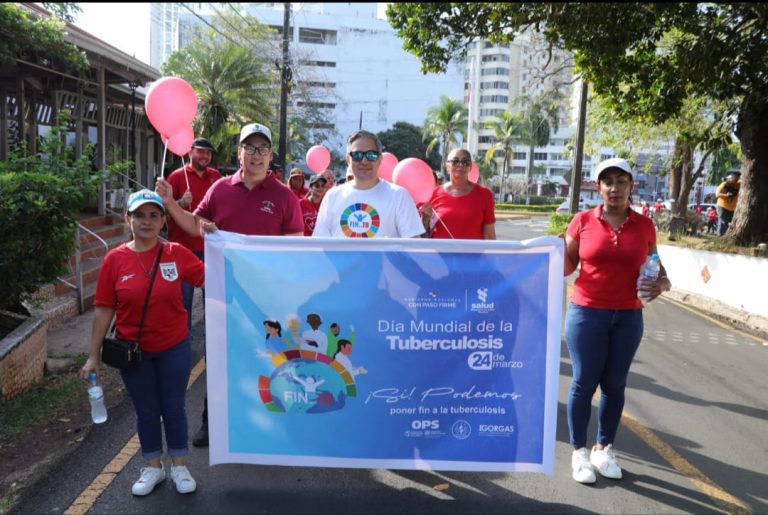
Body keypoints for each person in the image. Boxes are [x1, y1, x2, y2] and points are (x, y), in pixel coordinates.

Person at [156, 122, 303, 448]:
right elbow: (196, 225)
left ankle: (272, 420)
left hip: (267, 295)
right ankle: (214, 421)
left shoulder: (285, 196)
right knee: (222, 354)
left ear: (270, 156)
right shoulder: (220, 189)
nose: (256, 154)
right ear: (239, 153)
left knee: (268, 354)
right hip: (223, 289)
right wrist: (169, 203)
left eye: (262, 149)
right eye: (249, 148)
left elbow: (295, 244)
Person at [81, 190, 204, 496]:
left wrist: (219, 240)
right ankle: (153, 467)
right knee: (147, 410)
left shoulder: (177, 253)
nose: (146, 221)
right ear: (128, 219)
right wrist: (92, 356)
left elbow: (214, 277)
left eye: (153, 215)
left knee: (173, 407)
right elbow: (104, 309)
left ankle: (179, 465)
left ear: (163, 220)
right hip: (134, 352)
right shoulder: (114, 260)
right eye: (139, 215)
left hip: (174, 347)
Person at [563, 158, 671, 484]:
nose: (614, 187)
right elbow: (565, 265)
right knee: (583, 382)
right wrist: (547, 252)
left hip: (628, 316)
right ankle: (579, 453)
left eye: (621, 181)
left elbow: (660, 272)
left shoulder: (644, 226)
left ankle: (603, 447)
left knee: (614, 384)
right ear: (598, 187)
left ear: (631, 186)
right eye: (607, 181)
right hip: (587, 312)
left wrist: (661, 285)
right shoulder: (581, 221)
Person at [313, 130, 424, 238]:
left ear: (380, 159)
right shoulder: (332, 197)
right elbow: (319, 247)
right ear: (348, 159)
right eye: (357, 155)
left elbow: (412, 248)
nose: (364, 161)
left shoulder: (399, 196)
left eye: (371, 155)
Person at [165, 137, 222, 332]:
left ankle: (215, 341)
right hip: (182, 249)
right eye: (200, 151)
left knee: (214, 299)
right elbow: (161, 213)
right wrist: (180, 203)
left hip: (209, 248)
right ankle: (183, 343)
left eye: (207, 152)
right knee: (184, 301)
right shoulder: (176, 177)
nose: (204, 156)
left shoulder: (216, 177)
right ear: (190, 153)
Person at [418, 148, 496, 240]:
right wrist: (425, 220)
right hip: (441, 253)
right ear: (447, 166)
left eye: (465, 162)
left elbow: (489, 235)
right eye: (455, 161)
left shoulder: (484, 194)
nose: (460, 165)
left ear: (470, 166)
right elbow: (424, 237)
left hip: (473, 254)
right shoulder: (433, 194)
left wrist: (492, 254)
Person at [715, 171, 740, 236]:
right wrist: (727, 195)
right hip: (722, 206)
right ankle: (720, 237)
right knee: (723, 222)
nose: (736, 179)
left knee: (734, 223)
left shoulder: (739, 184)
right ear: (731, 177)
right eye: (734, 178)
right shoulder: (725, 184)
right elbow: (717, 195)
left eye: (737, 178)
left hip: (733, 208)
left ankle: (730, 236)